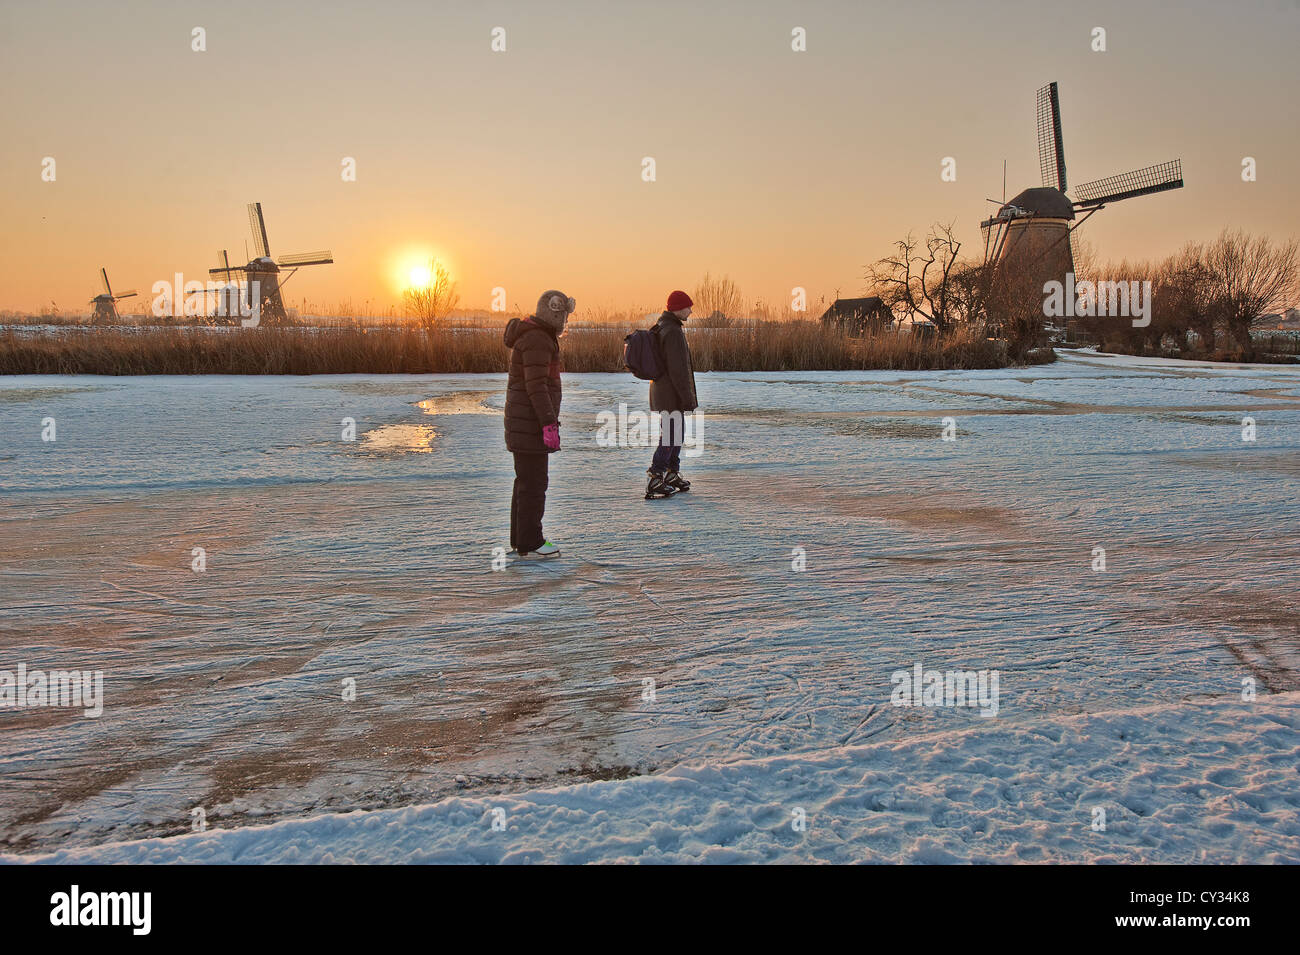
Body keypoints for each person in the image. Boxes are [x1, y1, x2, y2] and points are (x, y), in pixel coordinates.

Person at [503, 289, 574, 558]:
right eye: (563, 315)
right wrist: (548, 423)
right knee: (534, 484)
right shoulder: (538, 340)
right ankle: (531, 542)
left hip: (523, 424)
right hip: (530, 425)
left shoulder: (535, 336)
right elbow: (537, 387)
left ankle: (521, 541)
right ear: (553, 312)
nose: (565, 321)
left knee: (526, 482)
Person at [646, 289, 698, 500]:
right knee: (670, 434)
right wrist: (687, 398)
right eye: (687, 307)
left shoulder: (664, 327)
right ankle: (655, 475)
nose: (691, 311)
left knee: (676, 433)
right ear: (677, 309)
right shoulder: (673, 332)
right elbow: (678, 370)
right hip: (671, 394)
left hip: (664, 391)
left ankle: (671, 473)